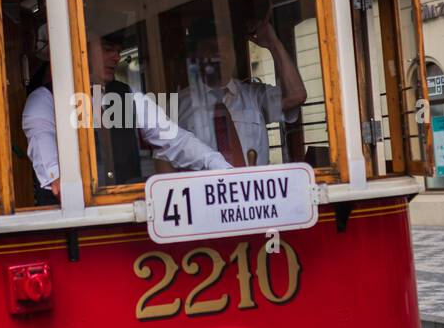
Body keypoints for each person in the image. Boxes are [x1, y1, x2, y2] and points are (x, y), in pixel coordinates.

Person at [22, 32, 231, 202]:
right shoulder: (44, 100)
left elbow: (176, 140)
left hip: (124, 217)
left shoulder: (126, 95)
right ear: (80, 49)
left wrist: (221, 168)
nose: (116, 57)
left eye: (117, 51)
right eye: (107, 49)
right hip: (73, 229)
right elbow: (43, 145)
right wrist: (57, 177)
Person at [175, 17, 306, 167]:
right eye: (210, 48)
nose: (219, 55)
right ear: (196, 56)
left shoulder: (254, 96)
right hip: (203, 189)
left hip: (254, 188)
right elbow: (163, 157)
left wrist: (273, 44)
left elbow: (296, 96)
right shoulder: (177, 105)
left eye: (225, 48)